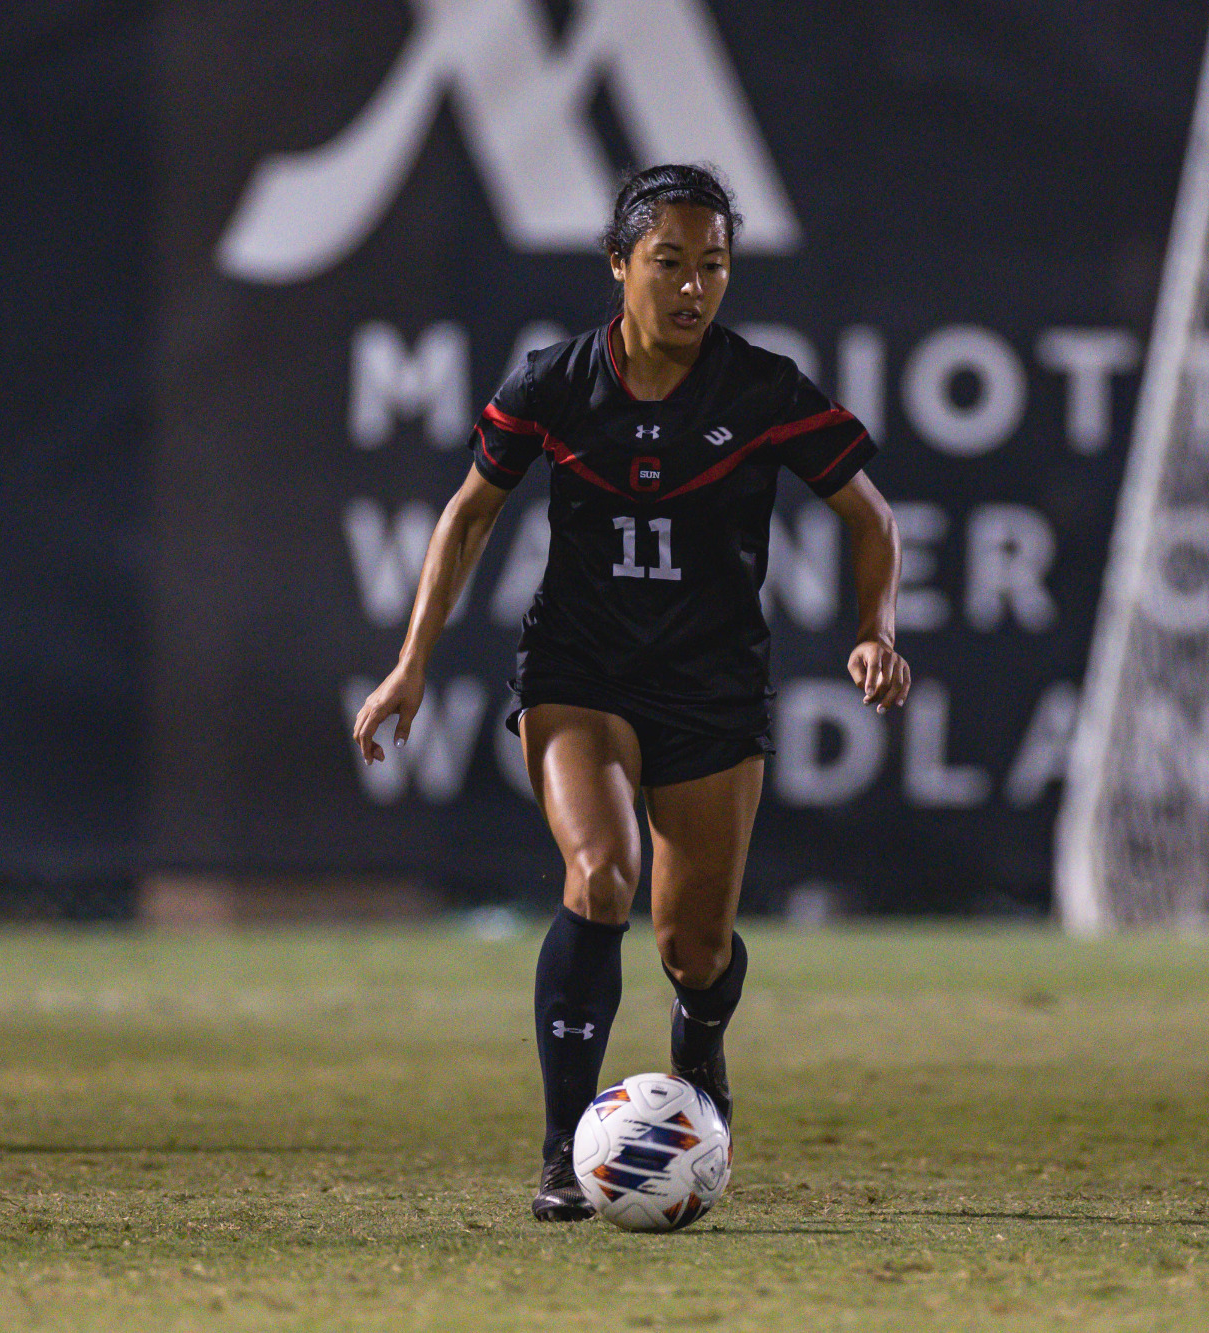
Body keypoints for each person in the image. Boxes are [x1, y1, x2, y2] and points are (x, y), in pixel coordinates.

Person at [352, 163, 909, 1222]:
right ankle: (566, 1152)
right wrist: (412, 660)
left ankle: (698, 1050)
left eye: (714, 265)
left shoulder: (759, 388)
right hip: (580, 668)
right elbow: (468, 515)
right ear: (618, 266)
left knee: (690, 948)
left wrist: (874, 630)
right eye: (669, 263)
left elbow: (870, 516)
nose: (693, 287)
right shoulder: (554, 382)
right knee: (599, 875)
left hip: (711, 684)